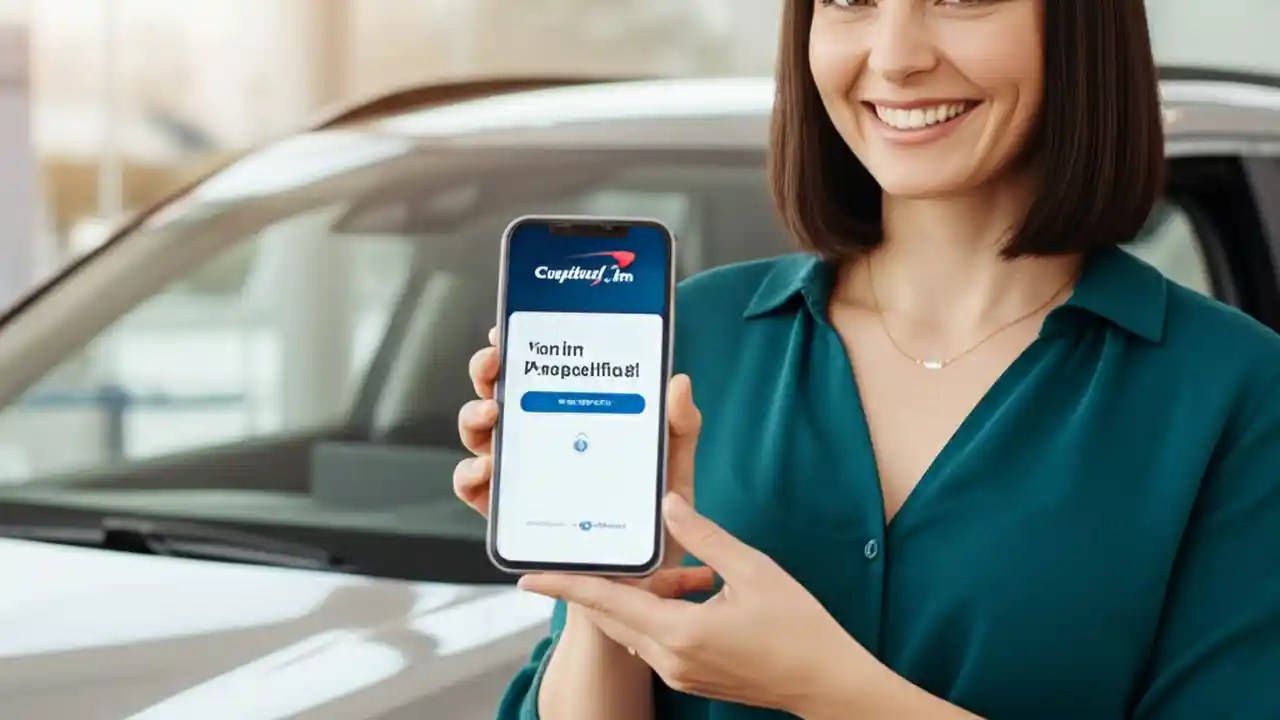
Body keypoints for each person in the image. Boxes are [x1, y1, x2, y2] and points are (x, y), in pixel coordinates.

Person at [454, 1, 1280, 718]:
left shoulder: (1234, 394)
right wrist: (608, 597)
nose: (895, 56)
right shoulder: (690, 332)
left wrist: (831, 690)